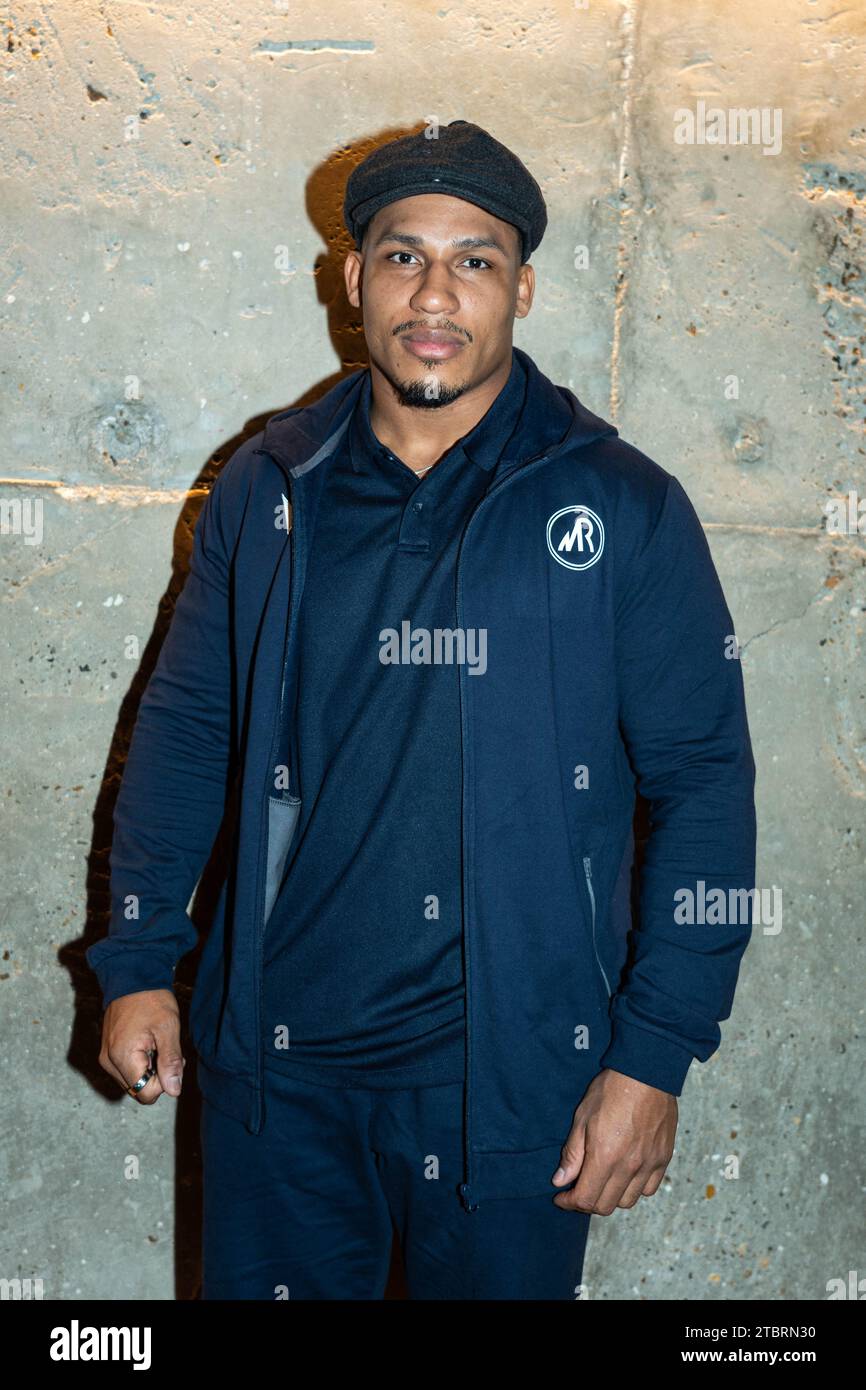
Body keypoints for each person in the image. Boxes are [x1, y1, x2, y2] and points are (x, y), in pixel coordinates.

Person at [88, 120, 757, 1300]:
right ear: (352, 279)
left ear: (523, 289)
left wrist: (653, 1058)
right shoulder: (270, 484)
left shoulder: (620, 503)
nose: (434, 294)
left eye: (475, 260)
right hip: (278, 1079)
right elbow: (190, 723)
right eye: (402, 257)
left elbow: (701, 782)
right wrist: (141, 958)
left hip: (511, 1088)